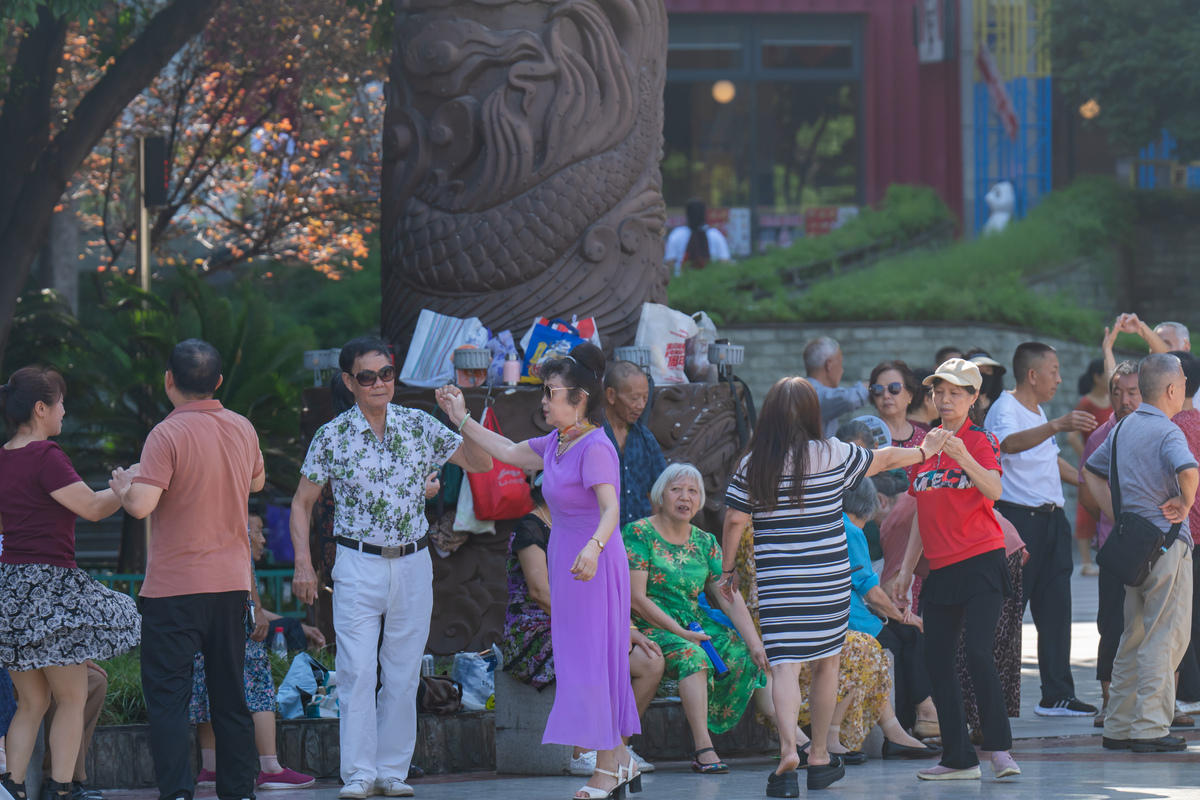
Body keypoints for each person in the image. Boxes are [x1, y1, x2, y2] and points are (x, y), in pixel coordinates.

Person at [718, 376, 951, 795]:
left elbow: (735, 518)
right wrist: (923, 451)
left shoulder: (754, 463)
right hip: (827, 580)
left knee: (784, 666)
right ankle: (820, 756)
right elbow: (883, 458)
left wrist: (728, 568)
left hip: (780, 585)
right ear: (813, 414)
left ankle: (789, 751)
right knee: (827, 664)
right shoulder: (832, 452)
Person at [289, 337, 492, 800]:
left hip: (414, 561)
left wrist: (460, 416)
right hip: (357, 562)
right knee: (357, 671)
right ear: (349, 381)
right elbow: (301, 503)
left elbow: (480, 463)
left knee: (402, 673)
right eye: (368, 376)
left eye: (386, 374)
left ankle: (392, 772)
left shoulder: (418, 423)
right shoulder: (332, 435)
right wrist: (303, 562)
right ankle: (358, 774)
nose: (379, 383)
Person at [436, 343, 640, 800]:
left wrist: (593, 548)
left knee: (593, 662)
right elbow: (508, 450)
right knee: (579, 661)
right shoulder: (557, 442)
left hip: (594, 561)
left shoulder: (595, 446)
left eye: (551, 392)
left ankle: (607, 767)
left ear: (579, 399)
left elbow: (611, 510)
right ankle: (621, 759)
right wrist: (461, 418)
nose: (543, 401)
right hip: (569, 561)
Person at [108, 340, 264, 800]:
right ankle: (240, 792)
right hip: (231, 585)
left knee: (169, 700)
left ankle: (177, 792)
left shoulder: (166, 433)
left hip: (174, 589)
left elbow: (141, 506)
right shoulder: (242, 426)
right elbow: (256, 481)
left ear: (168, 380)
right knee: (231, 697)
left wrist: (123, 486)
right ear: (219, 382)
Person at [0, 366, 140, 800]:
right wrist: (125, 486)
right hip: (51, 587)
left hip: (12, 588)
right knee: (72, 698)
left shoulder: (3, 457)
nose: (64, 410)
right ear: (40, 409)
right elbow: (92, 508)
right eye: (60, 402)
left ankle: (12, 789)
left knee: (31, 703)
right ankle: (61, 790)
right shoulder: (46, 455)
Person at [892, 359, 1020, 780]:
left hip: (982, 559)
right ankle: (958, 758)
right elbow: (920, 514)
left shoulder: (981, 439)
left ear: (973, 397)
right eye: (939, 392)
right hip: (941, 569)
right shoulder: (925, 446)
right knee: (936, 659)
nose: (944, 400)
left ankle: (1000, 751)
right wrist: (905, 572)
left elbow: (994, 490)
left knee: (978, 651)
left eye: (955, 392)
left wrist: (962, 455)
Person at [502, 478, 662, 777]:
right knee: (593, 653)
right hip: (537, 627)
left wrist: (622, 627)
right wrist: (592, 629)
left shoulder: (589, 527)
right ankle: (583, 753)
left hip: (590, 620)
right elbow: (540, 592)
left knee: (650, 661)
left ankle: (617, 749)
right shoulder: (531, 527)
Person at [1084, 353, 1198, 753]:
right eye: (1183, 383)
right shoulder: (1168, 431)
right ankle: (1150, 726)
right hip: (1166, 543)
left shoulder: (1122, 428)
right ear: (1172, 389)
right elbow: (1189, 471)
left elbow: (1090, 470)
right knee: (1165, 635)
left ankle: (1118, 725)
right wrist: (1185, 503)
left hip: (1132, 547)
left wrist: (1118, 514)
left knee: (1132, 635)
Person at [626, 463, 769, 774]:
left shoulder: (705, 542)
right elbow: (636, 598)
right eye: (676, 489)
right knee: (694, 656)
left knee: (746, 654)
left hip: (693, 622)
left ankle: (793, 740)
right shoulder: (639, 533)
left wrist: (756, 644)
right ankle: (704, 747)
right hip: (649, 624)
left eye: (692, 491)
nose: (685, 497)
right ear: (660, 495)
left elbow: (729, 597)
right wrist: (680, 632)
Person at [983, 342, 1099, 717]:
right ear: (1032, 375)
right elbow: (1006, 445)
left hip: (1051, 520)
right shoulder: (1005, 408)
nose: (1059, 379)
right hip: (1019, 521)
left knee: (1056, 610)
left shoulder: (1037, 411)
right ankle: (991, 698)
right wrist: (1057, 424)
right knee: (1008, 612)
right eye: (1054, 371)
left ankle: (1057, 694)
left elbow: (1049, 459)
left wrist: (1086, 482)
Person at [193, 515, 315, 791]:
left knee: (206, 683)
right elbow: (243, 574)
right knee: (259, 686)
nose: (262, 540)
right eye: (257, 531)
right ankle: (270, 768)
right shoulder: (235, 524)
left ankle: (210, 768)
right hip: (238, 624)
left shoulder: (206, 524)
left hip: (203, 616)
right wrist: (256, 609)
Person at [841, 478, 941, 761]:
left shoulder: (840, 526)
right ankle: (914, 718)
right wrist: (901, 615)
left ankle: (919, 714)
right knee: (905, 636)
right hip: (851, 620)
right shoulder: (851, 531)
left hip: (854, 616)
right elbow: (871, 591)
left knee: (909, 634)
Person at [1076, 361, 1141, 728]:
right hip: (1114, 546)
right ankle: (1109, 701)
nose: (1123, 399)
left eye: (1132, 392)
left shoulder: (1160, 431)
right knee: (1112, 624)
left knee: (1157, 624)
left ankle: (1166, 701)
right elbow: (1087, 494)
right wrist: (1112, 520)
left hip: (1157, 546)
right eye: (1117, 392)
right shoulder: (1100, 436)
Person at [602, 362, 667, 528]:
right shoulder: (591, 436)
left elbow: (658, 492)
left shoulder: (646, 439)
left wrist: (653, 534)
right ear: (611, 395)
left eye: (645, 398)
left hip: (640, 536)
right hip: (601, 536)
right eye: (634, 398)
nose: (641, 405)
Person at [1069, 358, 1115, 577]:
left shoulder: (1114, 401)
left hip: (1111, 465)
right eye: (1106, 373)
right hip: (1093, 465)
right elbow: (1072, 436)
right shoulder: (1086, 402)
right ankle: (1086, 562)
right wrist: (1087, 460)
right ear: (1097, 377)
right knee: (1086, 508)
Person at [40, 661, 109, 800]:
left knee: (96, 680)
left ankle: (71, 776)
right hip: (28, 661)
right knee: (66, 694)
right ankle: (56, 781)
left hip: (51, 657)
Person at [804, 337, 869, 438]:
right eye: (840, 364)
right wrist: (871, 385)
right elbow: (849, 399)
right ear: (829, 364)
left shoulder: (800, 390)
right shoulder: (810, 394)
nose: (842, 370)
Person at [867, 361, 928, 447]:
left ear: (910, 395)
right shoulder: (864, 437)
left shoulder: (923, 439)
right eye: (878, 389)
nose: (886, 395)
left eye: (894, 388)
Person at [664, 198, 732, 276]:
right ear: (704, 214)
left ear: (687, 214)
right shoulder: (715, 235)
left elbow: (670, 262)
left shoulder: (677, 234)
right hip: (710, 280)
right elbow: (724, 262)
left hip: (683, 280)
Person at [965, 351, 1006, 415]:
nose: (983, 374)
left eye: (988, 370)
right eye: (978, 370)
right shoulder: (960, 408)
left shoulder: (1000, 408)